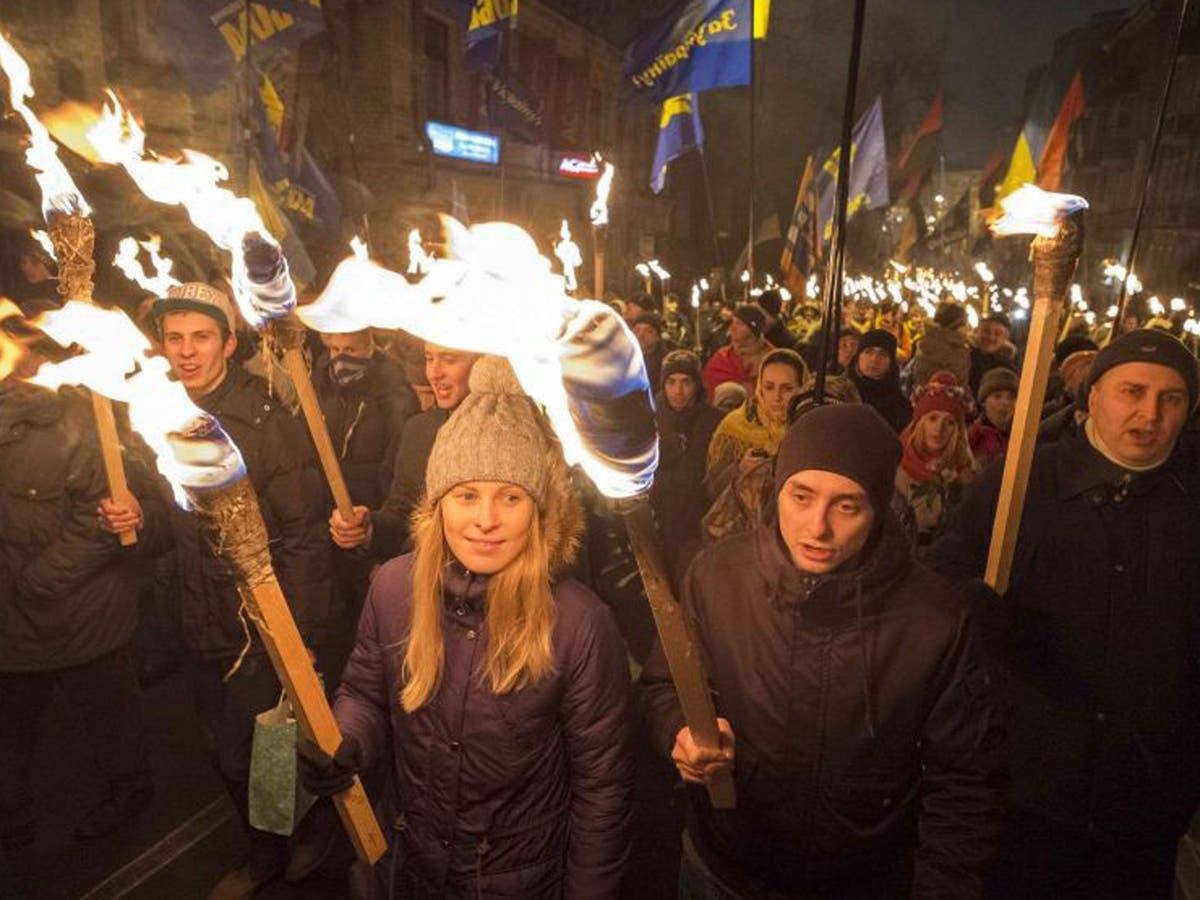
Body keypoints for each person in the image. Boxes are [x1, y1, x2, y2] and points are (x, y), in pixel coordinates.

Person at [641, 403, 1005, 900]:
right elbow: (667, 684)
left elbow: (964, 779)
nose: (817, 528)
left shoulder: (934, 618)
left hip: (863, 880)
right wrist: (683, 731)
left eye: (847, 505)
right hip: (724, 870)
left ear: (878, 509)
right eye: (802, 495)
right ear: (778, 488)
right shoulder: (718, 576)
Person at [302, 357, 635, 897]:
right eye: (466, 495)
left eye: (510, 497)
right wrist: (346, 742)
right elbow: (364, 692)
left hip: (516, 880)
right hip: (405, 866)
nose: (485, 519)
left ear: (541, 512)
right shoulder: (392, 587)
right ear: (437, 505)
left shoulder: (579, 624)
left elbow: (603, 790)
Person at [930, 329, 1200, 900]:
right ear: (1092, 396)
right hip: (1025, 788)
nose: (1149, 413)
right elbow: (941, 569)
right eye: (1132, 391)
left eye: (1170, 399)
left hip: (1144, 801)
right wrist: (973, 602)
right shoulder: (1022, 482)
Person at [147, 282, 334, 899]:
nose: (186, 351)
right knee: (223, 747)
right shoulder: (156, 412)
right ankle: (288, 827)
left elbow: (305, 532)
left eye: (200, 337)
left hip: (259, 620)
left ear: (228, 342)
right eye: (174, 338)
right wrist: (128, 519)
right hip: (196, 616)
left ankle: (271, 855)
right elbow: (166, 524)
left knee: (255, 753)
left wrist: (298, 634)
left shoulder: (262, 423)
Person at [0, 371, 169, 849]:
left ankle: (130, 789)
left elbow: (100, 517)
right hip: (11, 624)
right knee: (10, 723)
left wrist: (39, 582)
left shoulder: (72, 421)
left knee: (110, 716)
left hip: (80, 612)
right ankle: (10, 811)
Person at [329, 343, 478, 560]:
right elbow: (403, 515)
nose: (434, 373)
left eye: (449, 359)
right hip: (425, 579)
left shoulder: (515, 436)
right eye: (429, 359)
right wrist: (369, 527)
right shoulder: (419, 430)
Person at [652, 350, 724, 579]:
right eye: (671, 382)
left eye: (686, 383)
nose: (678, 391)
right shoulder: (652, 418)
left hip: (698, 516)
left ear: (697, 385)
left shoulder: (713, 421)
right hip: (658, 515)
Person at [705, 349, 807, 498]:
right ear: (760, 387)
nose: (777, 397)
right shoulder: (735, 426)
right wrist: (739, 468)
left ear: (802, 388)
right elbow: (712, 487)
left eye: (787, 389)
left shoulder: (809, 426)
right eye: (769, 387)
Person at [894, 372, 978, 548]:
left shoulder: (969, 474)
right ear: (919, 422)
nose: (939, 429)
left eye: (949, 422)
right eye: (932, 418)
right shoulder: (894, 466)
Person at [849, 328, 912, 433]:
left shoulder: (900, 406)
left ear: (891, 363)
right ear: (858, 357)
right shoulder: (840, 392)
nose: (874, 359)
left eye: (882, 354)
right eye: (868, 352)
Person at [702, 304, 772, 397]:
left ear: (753, 328)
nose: (732, 328)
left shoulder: (772, 359)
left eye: (739, 324)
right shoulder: (721, 359)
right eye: (733, 322)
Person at [910, 302, 971, 390]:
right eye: (965, 324)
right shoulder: (957, 351)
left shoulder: (924, 342)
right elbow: (960, 385)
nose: (968, 328)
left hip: (921, 400)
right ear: (956, 326)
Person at [968, 366, 1018, 466]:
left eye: (1011, 397)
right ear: (984, 402)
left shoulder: (1022, 435)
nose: (1005, 402)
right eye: (997, 396)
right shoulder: (972, 436)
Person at [969, 314, 1013, 396]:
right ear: (977, 332)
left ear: (1005, 338)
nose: (991, 337)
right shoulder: (964, 357)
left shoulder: (1008, 367)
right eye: (986, 331)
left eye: (997, 334)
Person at [632, 312, 674, 391]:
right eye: (636, 330)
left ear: (658, 337)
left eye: (648, 331)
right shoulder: (623, 357)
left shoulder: (667, 362)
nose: (640, 335)